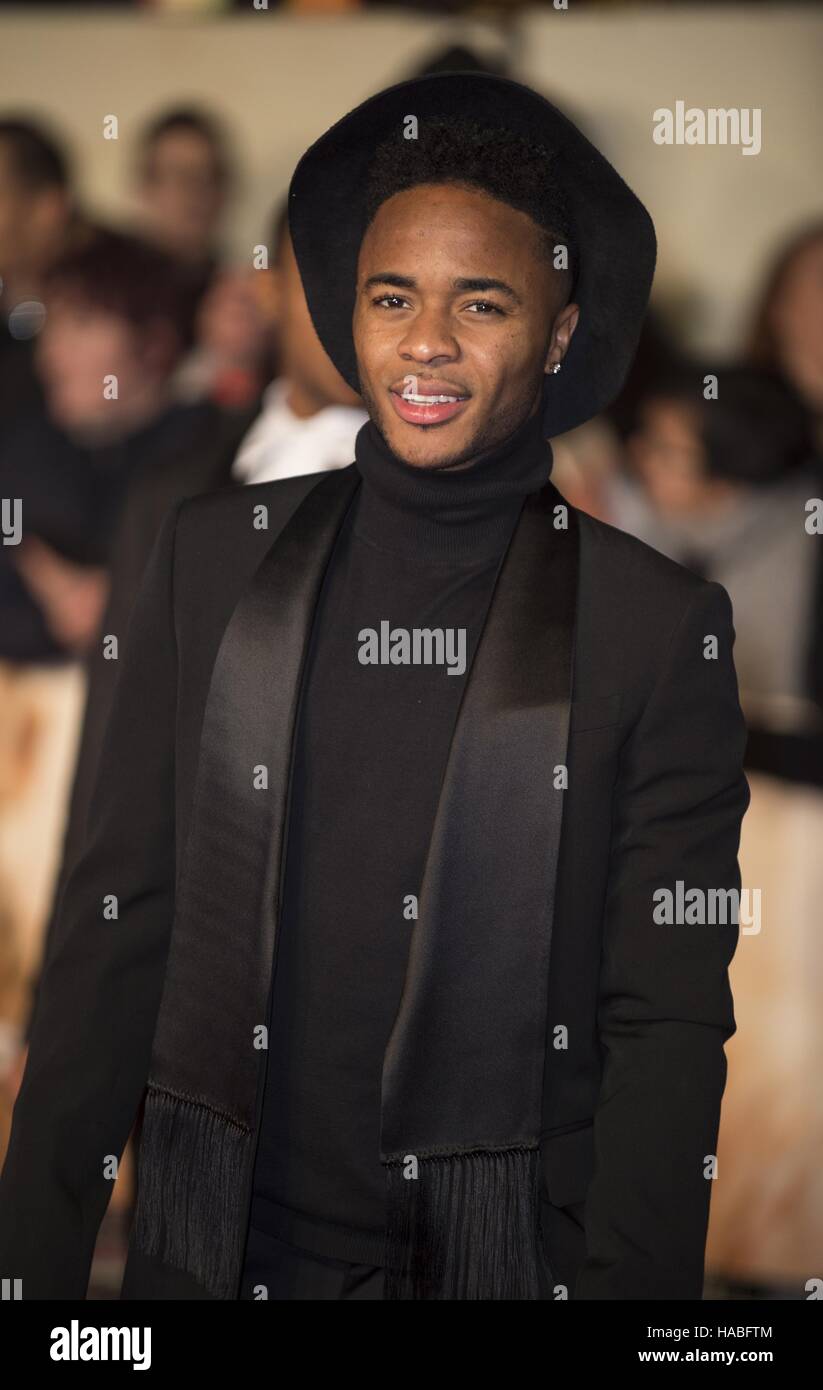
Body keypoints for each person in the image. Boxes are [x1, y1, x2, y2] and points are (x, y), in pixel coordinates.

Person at [0, 72, 750, 1302]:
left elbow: (663, 1027)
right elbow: (115, 929)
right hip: (210, 1246)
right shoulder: (211, 556)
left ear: (559, 332)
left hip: (504, 1266)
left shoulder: (656, 629)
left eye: (484, 303)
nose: (427, 343)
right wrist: (30, 1269)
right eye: (392, 296)